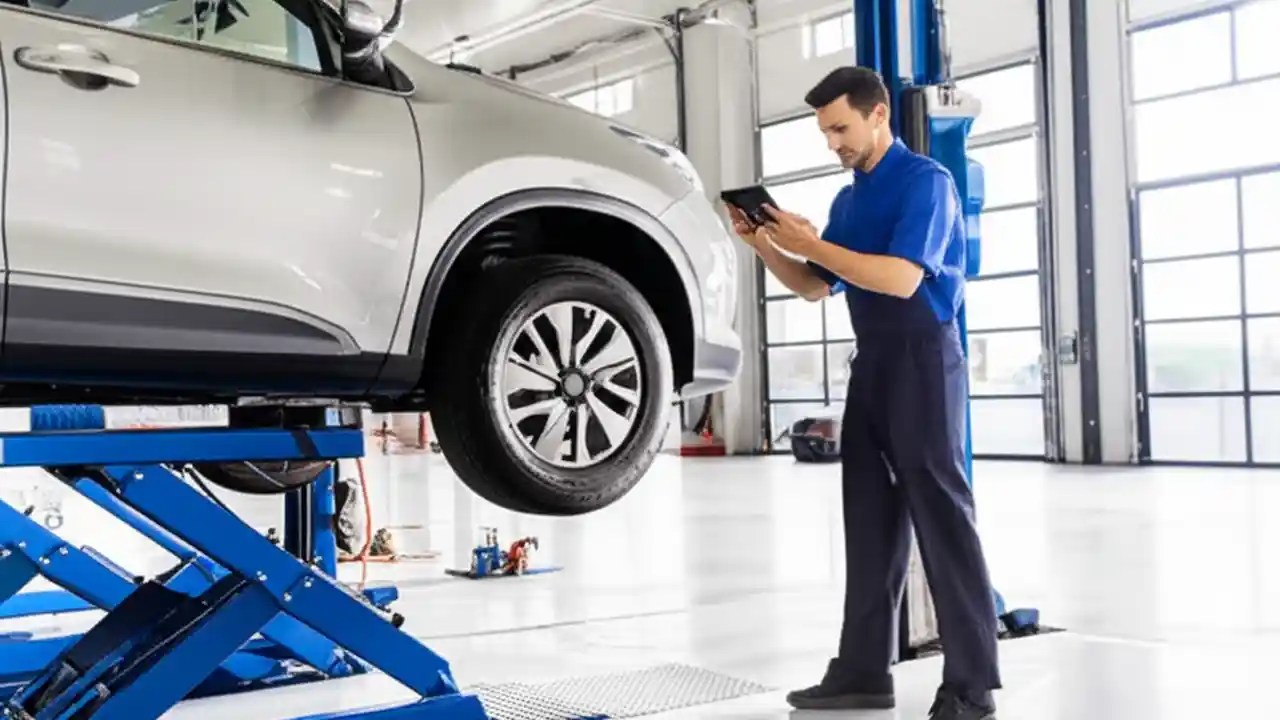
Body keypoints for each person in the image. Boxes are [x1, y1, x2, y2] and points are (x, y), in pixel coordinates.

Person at [724, 67, 1001, 720]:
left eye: (841, 128)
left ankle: (971, 685)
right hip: (873, 362)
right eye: (825, 132)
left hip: (923, 359)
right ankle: (862, 672)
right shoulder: (850, 202)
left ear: (878, 116)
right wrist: (763, 241)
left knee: (940, 515)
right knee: (868, 519)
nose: (833, 143)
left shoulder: (926, 184)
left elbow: (903, 279)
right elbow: (816, 285)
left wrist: (813, 242)